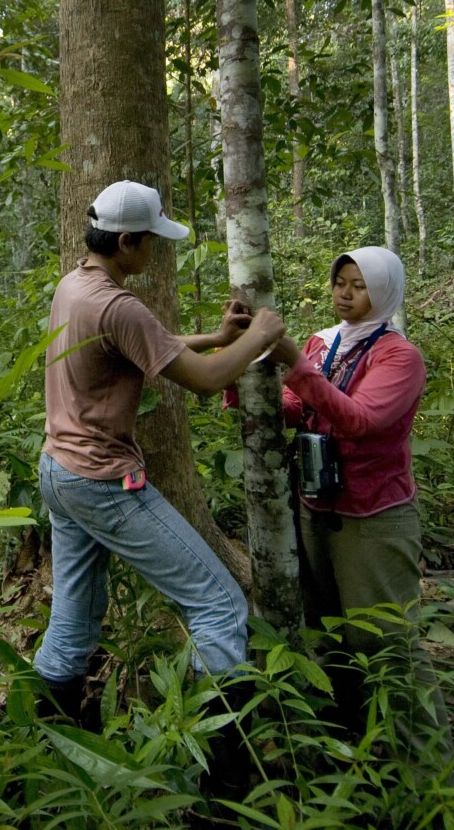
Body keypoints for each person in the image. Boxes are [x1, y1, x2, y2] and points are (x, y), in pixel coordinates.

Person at [34, 179, 285, 722]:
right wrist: (259, 335)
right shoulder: (119, 305)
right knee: (219, 605)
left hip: (59, 470)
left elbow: (148, 346)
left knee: (73, 618)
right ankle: (226, 769)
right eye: (150, 239)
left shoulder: (74, 286)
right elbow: (204, 381)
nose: (155, 249)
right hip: (102, 481)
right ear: (125, 242)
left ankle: (48, 743)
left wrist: (219, 338)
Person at [270, 246, 449, 748]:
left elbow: (361, 420)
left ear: (384, 290)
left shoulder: (398, 355)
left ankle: (427, 763)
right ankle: (355, 746)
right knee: (327, 631)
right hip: (316, 506)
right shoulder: (324, 342)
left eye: (359, 285)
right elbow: (299, 404)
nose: (345, 293)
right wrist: (253, 381)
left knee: (385, 641)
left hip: (373, 514)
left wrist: (294, 365)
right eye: (339, 282)